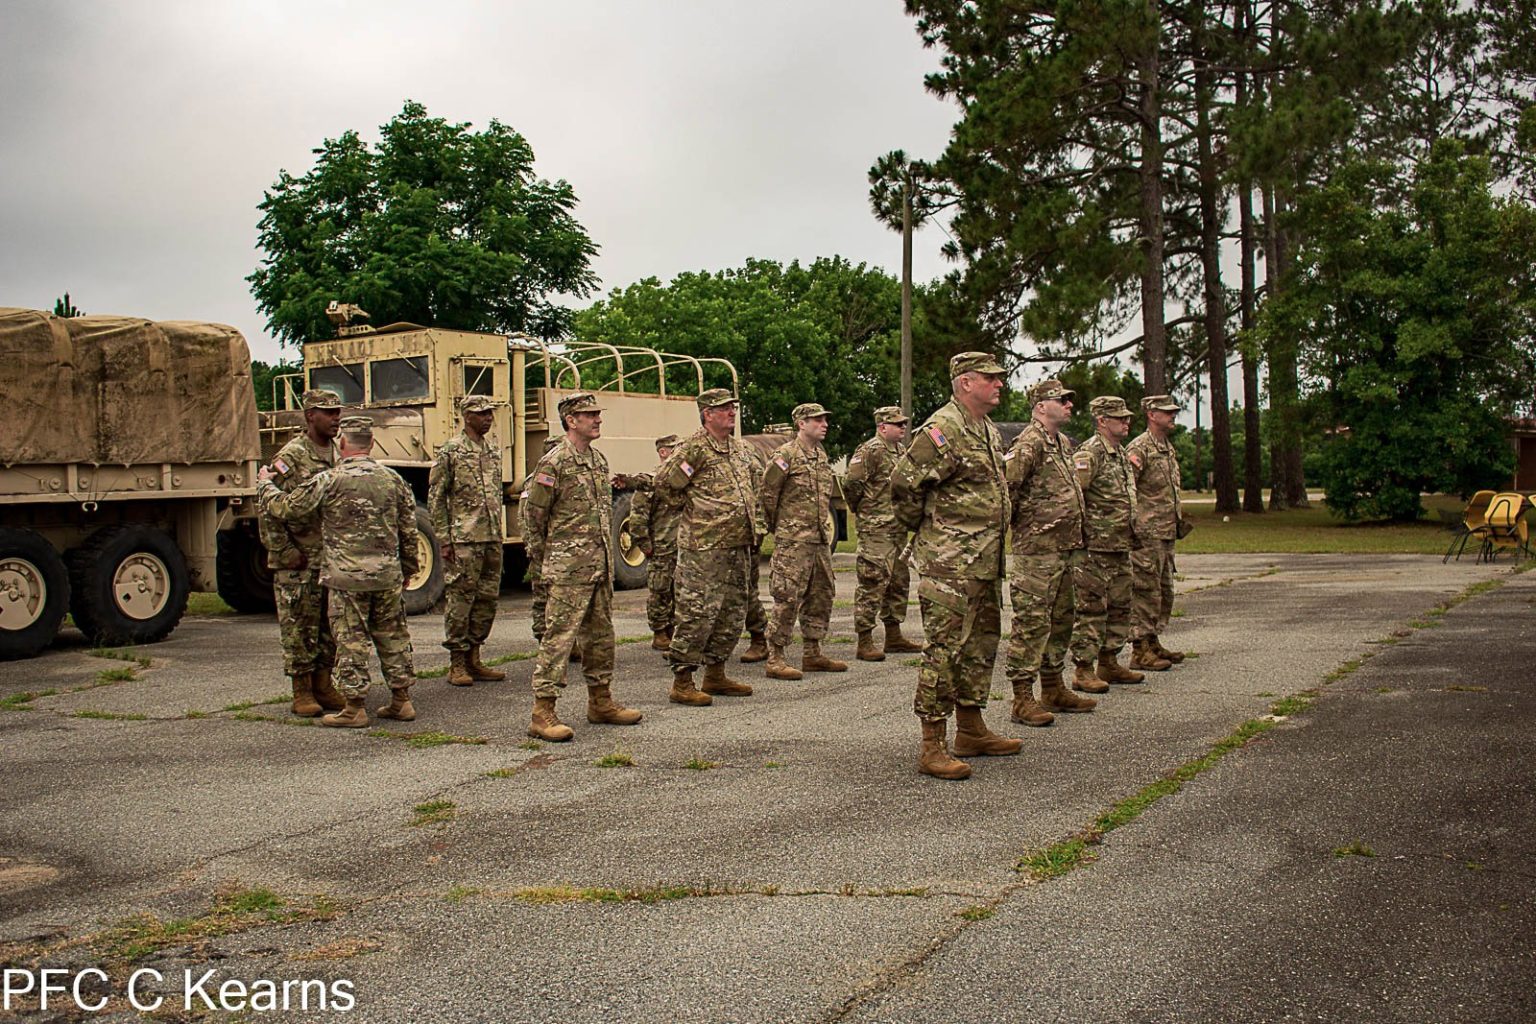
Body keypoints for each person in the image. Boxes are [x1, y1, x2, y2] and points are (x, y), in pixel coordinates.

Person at [892, 352, 1023, 781]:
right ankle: (933, 742)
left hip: (984, 560)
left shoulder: (984, 429)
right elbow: (904, 483)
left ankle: (971, 728)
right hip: (950, 563)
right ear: (965, 382)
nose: (999, 383)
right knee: (944, 648)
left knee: (981, 644)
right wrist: (931, 534)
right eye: (990, 378)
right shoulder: (943, 428)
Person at [257, 416, 420, 728]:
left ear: (343, 445)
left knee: (351, 641)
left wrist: (265, 484)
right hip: (387, 576)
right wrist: (409, 567)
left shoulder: (330, 479)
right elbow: (408, 529)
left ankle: (355, 707)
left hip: (347, 579)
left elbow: (286, 507)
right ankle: (402, 701)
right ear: (371, 444)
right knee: (393, 637)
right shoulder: (393, 480)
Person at [521, 393, 642, 741]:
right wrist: (543, 562)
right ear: (571, 420)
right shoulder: (554, 463)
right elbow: (534, 518)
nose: (597, 419)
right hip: (567, 570)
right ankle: (542, 712)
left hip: (598, 566)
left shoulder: (598, 461)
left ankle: (600, 701)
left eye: (597, 414)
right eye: (589, 415)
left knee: (602, 638)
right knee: (558, 641)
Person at [655, 387, 761, 706]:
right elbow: (665, 485)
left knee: (732, 610)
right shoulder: (694, 449)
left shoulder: (740, 449)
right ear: (707, 415)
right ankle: (683, 680)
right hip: (704, 547)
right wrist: (696, 510)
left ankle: (716, 673)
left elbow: (753, 487)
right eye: (724, 408)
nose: (732, 412)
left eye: (733, 407)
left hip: (738, 544)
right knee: (697, 612)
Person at [1003, 379, 1098, 725]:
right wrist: (1015, 532)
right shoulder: (1028, 443)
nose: (1070, 405)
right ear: (1041, 406)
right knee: (1031, 622)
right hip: (1036, 552)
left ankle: (1053, 686)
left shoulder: (1062, 444)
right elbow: (1008, 490)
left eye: (1070, 400)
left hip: (1065, 548)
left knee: (1061, 620)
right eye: (1063, 399)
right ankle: (1022, 697)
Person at [260, 388, 346, 717]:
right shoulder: (292, 456)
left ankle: (325, 684)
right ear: (310, 416)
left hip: (330, 558)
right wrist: (283, 551)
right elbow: (268, 507)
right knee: (299, 626)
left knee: (329, 626)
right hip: (299, 559)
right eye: (329, 412)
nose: (336, 418)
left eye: (338, 411)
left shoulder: (338, 453)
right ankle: (302, 690)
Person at [761, 402, 845, 679]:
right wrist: (781, 528)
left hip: (819, 538)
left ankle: (813, 652)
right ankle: (775, 657)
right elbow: (768, 495)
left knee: (822, 593)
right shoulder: (785, 455)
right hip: (793, 539)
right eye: (817, 420)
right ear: (801, 424)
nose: (824, 424)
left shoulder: (820, 455)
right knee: (787, 596)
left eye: (824, 419)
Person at [428, 394, 507, 686]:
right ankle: (457, 662)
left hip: (491, 536)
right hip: (464, 538)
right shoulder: (451, 451)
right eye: (481, 413)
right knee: (460, 598)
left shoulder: (493, 450)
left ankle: (475, 656)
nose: (488, 418)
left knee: (487, 599)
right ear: (467, 416)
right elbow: (436, 498)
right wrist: (444, 539)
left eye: (490, 413)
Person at [1068, 395, 1145, 694]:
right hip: (1095, 548)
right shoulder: (1090, 453)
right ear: (1102, 421)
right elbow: (1077, 497)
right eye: (1120, 418)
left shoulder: (1120, 453)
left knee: (1120, 605)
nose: (1127, 422)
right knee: (1091, 609)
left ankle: (1109, 660)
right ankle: (1083, 668)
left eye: (1127, 417)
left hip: (1119, 543)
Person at [845, 405, 922, 662]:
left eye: (904, 424)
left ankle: (894, 634)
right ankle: (865, 639)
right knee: (872, 581)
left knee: (898, 582)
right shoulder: (870, 451)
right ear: (882, 427)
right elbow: (852, 484)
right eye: (897, 424)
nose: (903, 428)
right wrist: (863, 510)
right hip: (876, 528)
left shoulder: (901, 451)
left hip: (898, 527)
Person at [627, 434, 683, 651]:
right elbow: (638, 516)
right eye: (674, 449)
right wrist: (644, 543)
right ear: (663, 452)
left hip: (680, 545)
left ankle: (673, 628)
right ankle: (660, 631)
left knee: (679, 590)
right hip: (660, 546)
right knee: (660, 589)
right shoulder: (649, 481)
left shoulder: (678, 480)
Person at [518, 436, 561, 648]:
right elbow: (528, 515)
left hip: (561, 549)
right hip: (542, 548)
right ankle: (544, 638)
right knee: (543, 597)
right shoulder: (539, 478)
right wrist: (535, 547)